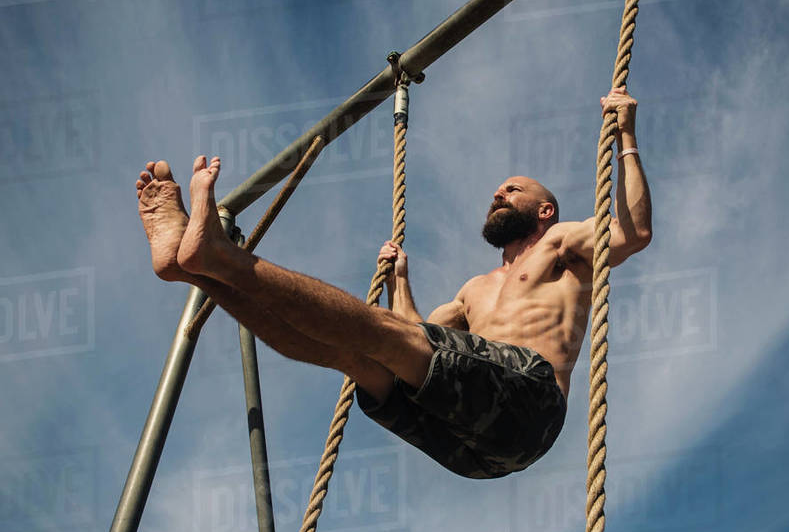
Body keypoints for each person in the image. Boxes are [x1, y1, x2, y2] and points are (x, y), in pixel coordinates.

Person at [135, 88, 651, 479]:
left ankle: (221, 260)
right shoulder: (473, 290)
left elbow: (633, 233)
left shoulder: (561, 244)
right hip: (474, 452)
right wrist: (401, 279)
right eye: (496, 190)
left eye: (512, 190)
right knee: (361, 359)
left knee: (386, 340)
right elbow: (412, 337)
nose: (498, 193)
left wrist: (625, 137)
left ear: (543, 209)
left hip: (531, 405)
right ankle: (197, 269)